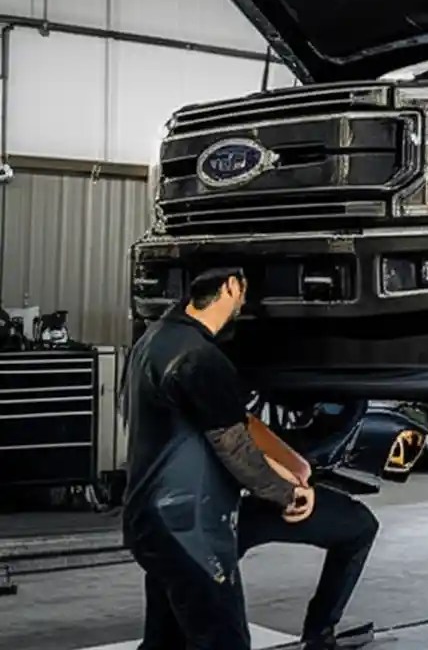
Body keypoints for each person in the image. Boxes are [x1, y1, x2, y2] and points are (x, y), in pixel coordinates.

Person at [122, 267, 315, 650]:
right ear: (230, 286)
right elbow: (235, 448)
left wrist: (288, 467)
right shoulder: (200, 358)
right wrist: (286, 494)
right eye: (244, 292)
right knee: (223, 640)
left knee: (166, 641)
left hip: (149, 521)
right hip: (188, 527)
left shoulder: (153, 341)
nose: (243, 303)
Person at [238, 412, 380, 650]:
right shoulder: (206, 383)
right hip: (224, 508)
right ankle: (319, 634)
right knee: (360, 528)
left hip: (177, 511)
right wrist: (287, 489)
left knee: (179, 579)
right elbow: (232, 440)